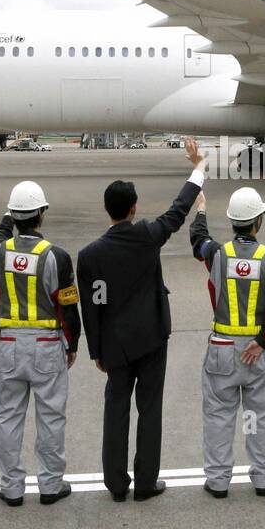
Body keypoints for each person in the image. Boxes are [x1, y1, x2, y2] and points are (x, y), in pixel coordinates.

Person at [77, 137, 206, 501]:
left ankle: (116, 485)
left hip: (114, 344)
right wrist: (198, 168)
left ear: (108, 209)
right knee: (150, 410)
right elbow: (179, 210)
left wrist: (97, 351)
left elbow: (93, 306)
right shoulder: (148, 236)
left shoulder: (90, 256)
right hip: (151, 338)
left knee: (115, 411)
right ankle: (146, 483)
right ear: (134, 209)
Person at [190, 187, 265, 498]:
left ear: (233, 222)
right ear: (258, 221)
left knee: (219, 416)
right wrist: (263, 340)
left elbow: (197, 240)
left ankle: (219, 481)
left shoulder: (217, 254)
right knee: (260, 416)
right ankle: (263, 478)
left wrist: (202, 209)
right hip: (258, 351)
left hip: (222, 347)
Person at [0, 181, 80, 507]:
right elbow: (68, 306)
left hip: (9, 342)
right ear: (42, 214)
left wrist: (6, 217)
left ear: (13, 215)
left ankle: (11, 487)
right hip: (46, 342)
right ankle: (51, 485)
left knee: (8, 417)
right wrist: (72, 344)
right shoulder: (57, 256)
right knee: (51, 417)